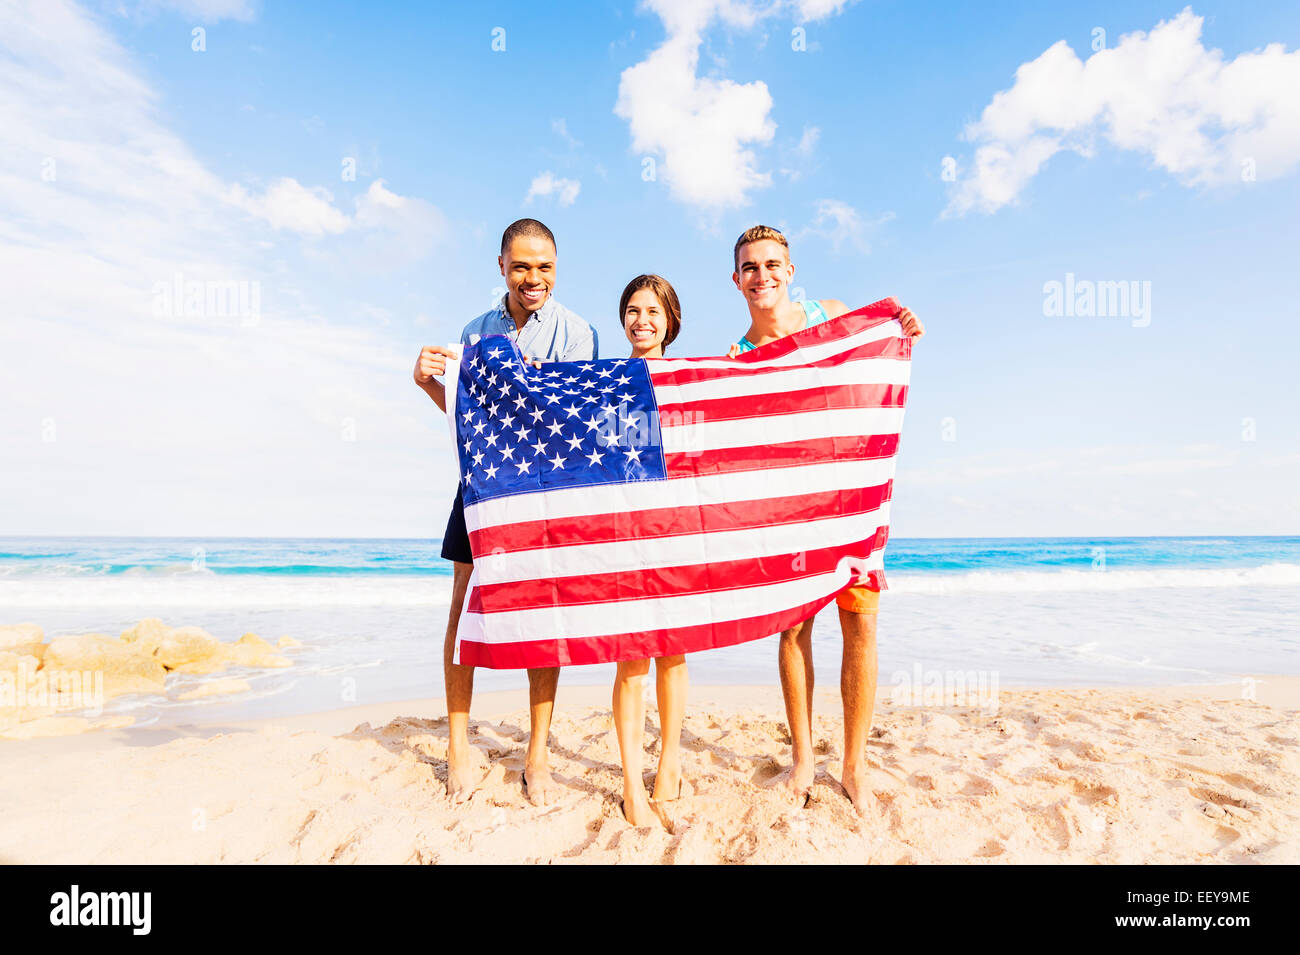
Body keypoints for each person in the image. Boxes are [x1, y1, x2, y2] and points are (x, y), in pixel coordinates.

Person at [726, 224, 924, 816]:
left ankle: (855, 764)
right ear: (736, 280)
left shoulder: (831, 316)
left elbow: (877, 358)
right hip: (789, 509)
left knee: (860, 626)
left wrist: (904, 326)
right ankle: (805, 759)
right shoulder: (738, 356)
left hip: (851, 500)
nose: (762, 276)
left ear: (789, 271)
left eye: (772, 265)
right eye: (750, 267)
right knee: (793, 631)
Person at [412, 218, 598, 806]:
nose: (533, 278)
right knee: (463, 607)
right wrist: (426, 385)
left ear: (556, 267)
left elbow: (570, 423)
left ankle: (538, 755)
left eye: (543, 266)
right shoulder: (474, 331)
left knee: (543, 619)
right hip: (482, 487)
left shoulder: (577, 333)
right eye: (521, 266)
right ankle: (459, 747)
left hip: (544, 491)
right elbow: (463, 416)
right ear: (501, 267)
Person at [609, 274, 689, 828]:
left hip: (679, 530)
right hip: (626, 534)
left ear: (671, 320)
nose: (643, 321)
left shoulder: (693, 380)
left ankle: (669, 763)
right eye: (634, 311)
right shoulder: (604, 380)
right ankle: (632, 784)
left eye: (653, 312)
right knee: (632, 660)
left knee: (674, 653)